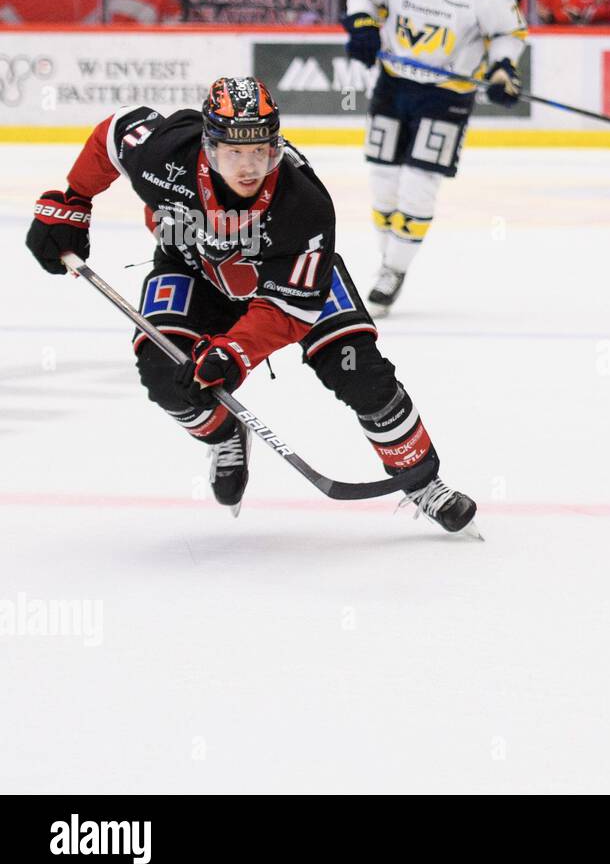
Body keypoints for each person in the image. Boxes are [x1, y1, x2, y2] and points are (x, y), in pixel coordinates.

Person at [24, 76, 478, 533]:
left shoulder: (304, 205)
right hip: (193, 269)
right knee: (164, 376)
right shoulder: (164, 153)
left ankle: (422, 481)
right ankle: (225, 433)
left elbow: (288, 312)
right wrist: (73, 201)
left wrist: (233, 352)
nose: (248, 166)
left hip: (287, 289)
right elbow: (112, 135)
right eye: (234, 151)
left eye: (259, 150)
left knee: (362, 375)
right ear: (209, 145)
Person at [343, 0, 528, 315]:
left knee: (418, 184)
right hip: (393, 84)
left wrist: (502, 69)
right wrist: (361, 24)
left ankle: (392, 270)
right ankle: (387, 261)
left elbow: (509, 33)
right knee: (383, 182)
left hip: (448, 93)